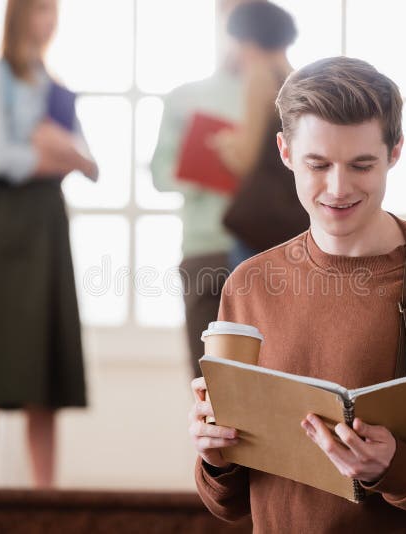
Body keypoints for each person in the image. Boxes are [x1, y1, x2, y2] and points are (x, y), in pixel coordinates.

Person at [188, 57, 406, 531]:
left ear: (395, 151)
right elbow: (233, 504)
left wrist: (397, 468)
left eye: (361, 164)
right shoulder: (250, 284)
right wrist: (215, 457)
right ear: (285, 151)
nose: (338, 188)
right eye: (318, 164)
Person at [0, 0, 97, 488]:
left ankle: (45, 496)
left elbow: (89, 163)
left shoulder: (54, 86)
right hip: (3, 226)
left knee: (43, 368)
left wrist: (59, 150)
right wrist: (52, 154)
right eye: (39, 10)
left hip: (47, 225)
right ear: (18, 15)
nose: (48, 20)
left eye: (52, 11)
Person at [150, 0, 249, 378]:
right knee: (207, 383)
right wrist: (211, 160)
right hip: (204, 247)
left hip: (266, 250)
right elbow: (160, 174)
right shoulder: (185, 97)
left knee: (269, 384)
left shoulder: (282, 96)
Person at [211, 1, 308, 269]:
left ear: (248, 40)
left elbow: (246, 160)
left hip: (260, 223)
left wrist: (225, 144)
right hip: (296, 219)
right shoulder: (299, 78)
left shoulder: (260, 76)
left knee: (248, 306)